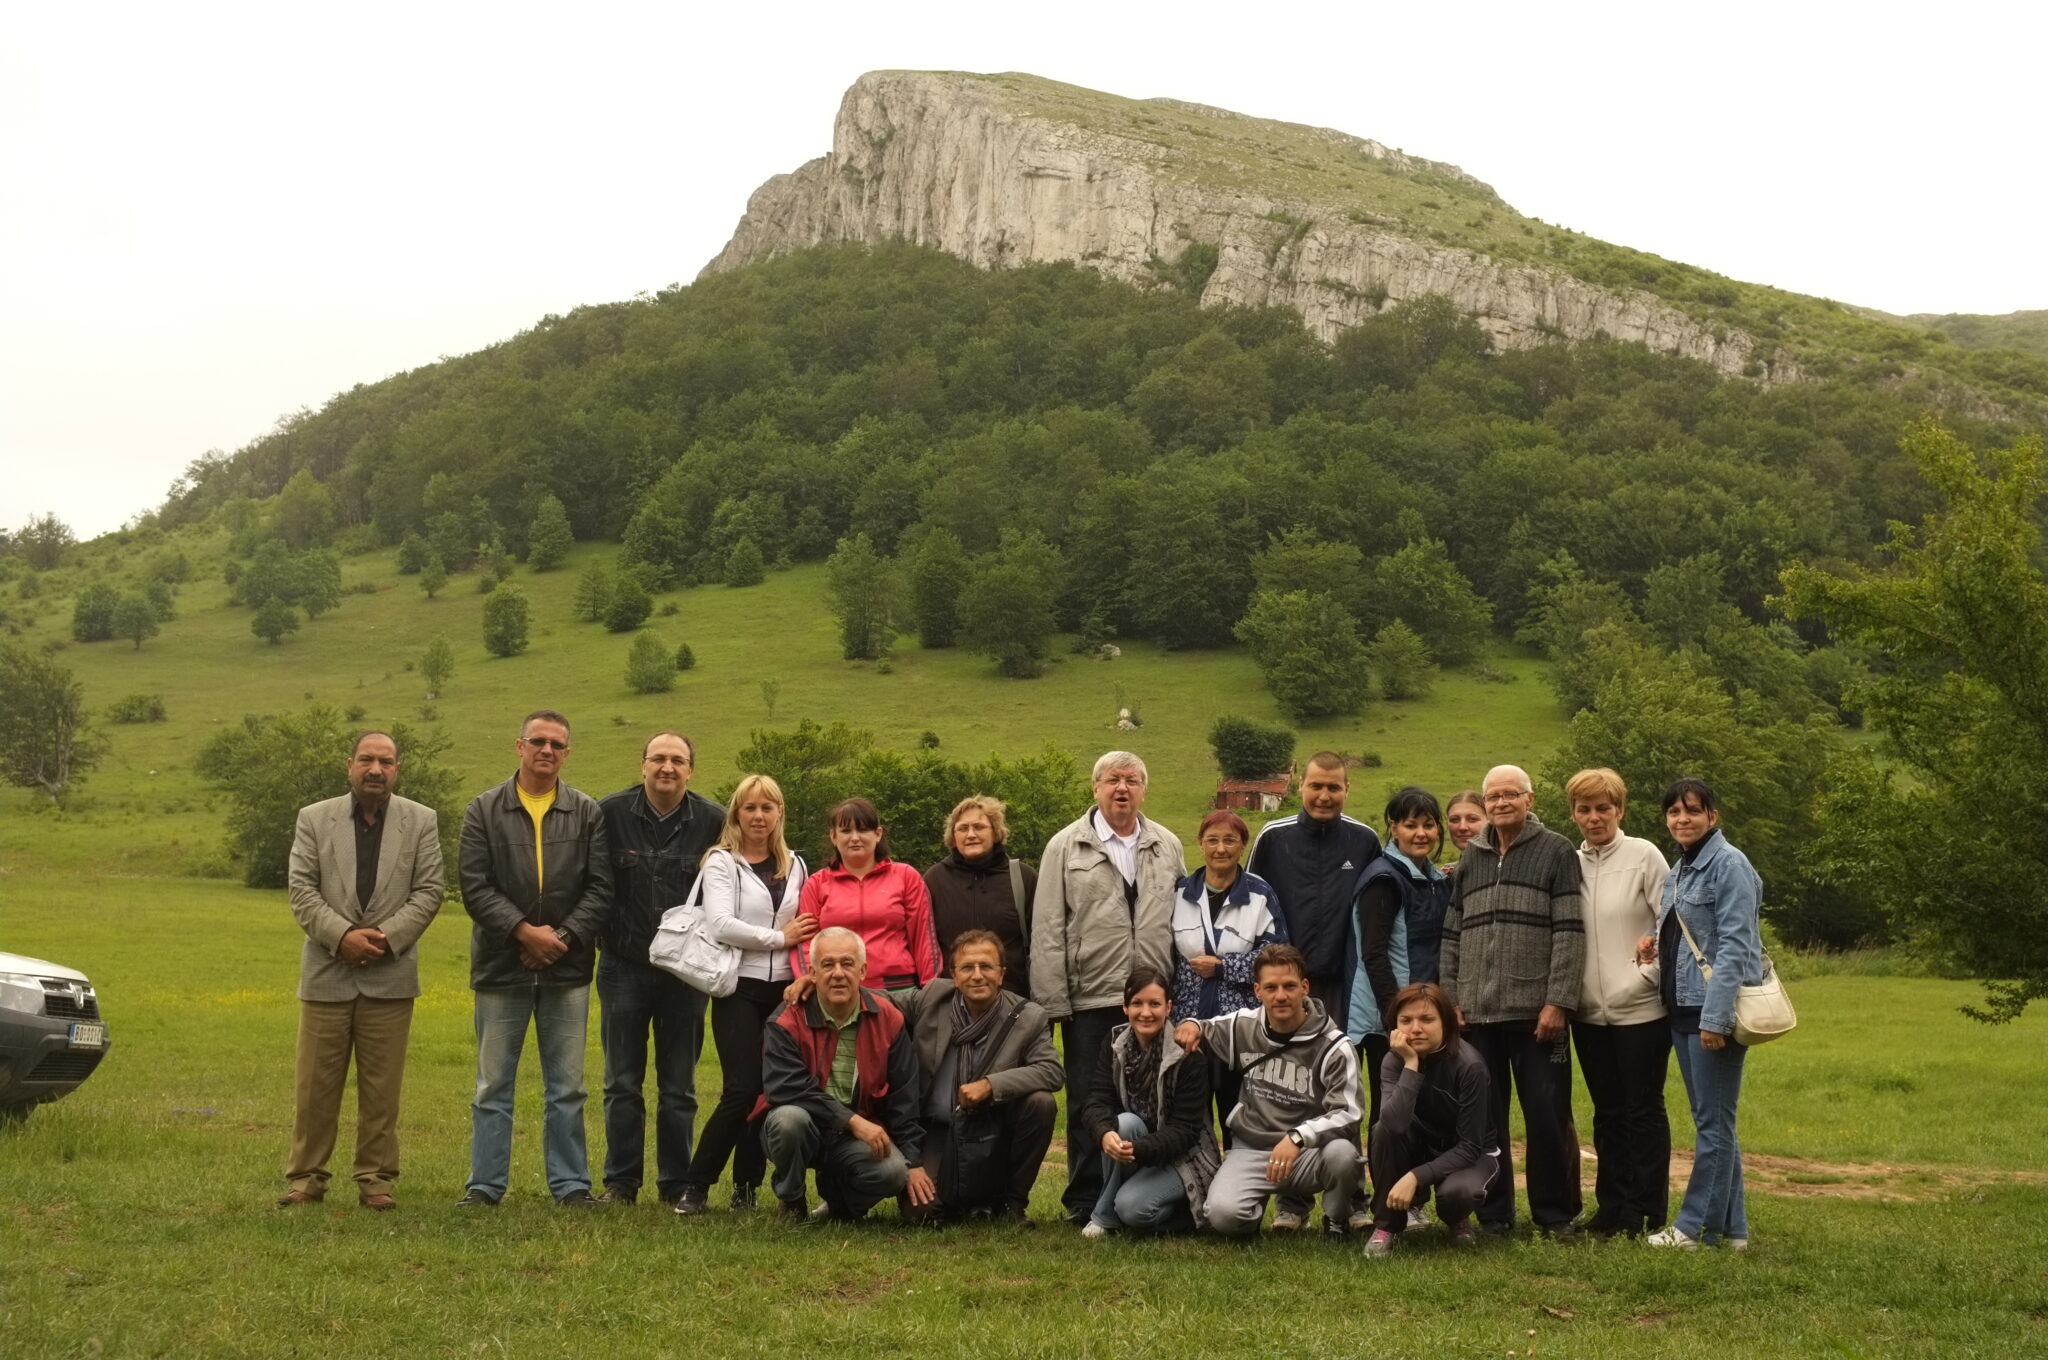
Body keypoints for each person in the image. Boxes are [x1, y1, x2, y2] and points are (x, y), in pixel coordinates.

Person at [279, 731, 444, 1211]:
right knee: (314, 1086)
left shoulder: (421, 821)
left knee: (382, 1088)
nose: (376, 769)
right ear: (349, 765)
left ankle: (376, 1179)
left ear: (398, 769)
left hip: (390, 975)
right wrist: (344, 936)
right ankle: (307, 1177)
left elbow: (430, 890)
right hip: (326, 971)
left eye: (386, 761)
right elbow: (302, 890)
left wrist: (385, 938)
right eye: (367, 760)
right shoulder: (314, 818)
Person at [456, 709, 613, 1208]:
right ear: (518, 746)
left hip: (566, 969)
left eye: (557, 745)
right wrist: (525, 933)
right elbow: (474, 887)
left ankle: (570, 1187)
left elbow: (601, 887)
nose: (547, 751)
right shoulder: (483, 809)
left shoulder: (587, 812)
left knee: (567, 1085)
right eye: (537, 741)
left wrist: (560, 937)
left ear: (567, 754)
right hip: (501, 968)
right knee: (492, 1085)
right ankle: (484, 1186)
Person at [1030, 751, 1186, 1224]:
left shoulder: (1167, 844)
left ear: (1144, 789)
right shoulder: (1065, 846)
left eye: (1132, 780)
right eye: (1112, 780)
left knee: (1148, 1100)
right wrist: (1054, 1001)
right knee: (1087, 1101)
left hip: (1151, 999)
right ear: (1094, 788)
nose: (1122, 788)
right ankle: (1083, 1199)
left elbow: (1180, 921)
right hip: (1090, 996)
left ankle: (1137, 1191)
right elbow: (1048, 925)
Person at [1438, 763, 1584, 1236]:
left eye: (1510, 795)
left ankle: (1555, 1214)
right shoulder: (1472, 860)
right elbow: (1452, 935)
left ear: (1530, 799)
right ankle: (1494, 1214)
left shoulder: (1557, 850)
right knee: (1486, 1122)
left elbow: (1569, 931)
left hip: (1536, 1014)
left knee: (1547, 1115)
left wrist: (1558, 1000)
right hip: (1478, 1014)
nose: (1501, 803)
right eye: (1493, 797)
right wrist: (1453, 998)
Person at [1246, 751, 1378, 1230]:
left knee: (1343, 1087)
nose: (1325, 796)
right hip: (1285, 988)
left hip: (1339, 982)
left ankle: (1354, 1201)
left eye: (1335, 788)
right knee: (1286, 1086)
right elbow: (1250, 899)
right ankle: (1292, 1203)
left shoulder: (1364, 840)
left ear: (1347, 790)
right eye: (1316, 786)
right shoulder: (1273, 837)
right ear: (1301, 785)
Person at [673, 774, 815, 1216]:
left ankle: (746, 1190)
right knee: (741, 1088)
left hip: (786, 991)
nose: (758, 816)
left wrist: (805, 968)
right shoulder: (721, 862)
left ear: (779, 814)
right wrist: (779, 936)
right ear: (736, 813)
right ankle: (695, 1186)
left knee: (770, 1090)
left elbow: (808, 927)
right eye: (749, 808)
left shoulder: (798, 865)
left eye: (767, 808)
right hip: (738, 987)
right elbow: (720, 924)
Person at [595, 731, 724, 1206]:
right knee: (622, 1083)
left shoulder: (714, 821)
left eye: (677, 760)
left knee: (679, 1086)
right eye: (658, 759)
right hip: (622, 965)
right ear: (642, 764)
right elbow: (594, 882)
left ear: (691, 769)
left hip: (686, 974)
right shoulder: (608, 813)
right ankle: (620, 1184)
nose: (666, 768)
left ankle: (675, 1185)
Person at [1174, 944, 1364, 1239]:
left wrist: (1298, 1137)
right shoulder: (1243, 1025)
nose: (1281, 996)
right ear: (1257, 990)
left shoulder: (1335, 1045)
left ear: (1304, 987)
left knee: (1343, 1154)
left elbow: (1349, 1113)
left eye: (1289, 986)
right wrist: (1189, 1024)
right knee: (1223, 1216)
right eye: (1271, 987)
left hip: (1307, 1153)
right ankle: (1251, 1212)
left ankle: (1337, 1216)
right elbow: (1203, 1027)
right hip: (1253, 1148)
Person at [1646, 777, 1763, 1251]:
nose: (1682, 819)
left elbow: (1737, 945)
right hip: (1680, 1006)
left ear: (1713, 816)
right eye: (1674, 812)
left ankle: (1692, 1228)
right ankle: (1732, 1231)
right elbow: (1683, 930)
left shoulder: (1729, 865)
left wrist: (1716, 1020)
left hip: (1709, 1011)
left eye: (1692, 811)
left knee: (1714, 1125)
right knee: (1713, 1120)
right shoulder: (1681, 867)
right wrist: (1651, 939)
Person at [1566, 767, 1672, 1238]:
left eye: (1603, 808)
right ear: (1573, 814)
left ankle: (1644, 1210)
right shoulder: (1571, 864)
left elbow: (1674, 925)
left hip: (1642, 1011)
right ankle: (1610, 1209)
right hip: (1589, 1014)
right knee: (1607, 1113)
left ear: (1620, 810)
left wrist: (1646, 976)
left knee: (1642, 1110)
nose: (1594, 818)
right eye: (1584, 809)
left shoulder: (1644, 855)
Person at [759, 926, 923, 1221]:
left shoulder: (889, 1019)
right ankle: (792, 1198)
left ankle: (841, 1203)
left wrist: (911, 1159)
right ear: (812, 973)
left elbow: (904, 1096)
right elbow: (785, 1088)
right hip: (803, 1129)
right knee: (789, 1120)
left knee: (893, 1171)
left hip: (851, 1138)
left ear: (863, 971)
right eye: (828, 964)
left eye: (847, 964)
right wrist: (852, 1121)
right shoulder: (787, 1018)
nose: (838, 973)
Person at [898, 931, 1063, 1223]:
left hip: (993, 1128)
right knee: (922, 1214)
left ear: (1001, 974)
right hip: (937, 1129)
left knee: (1041, 1103)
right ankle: (968, 1201)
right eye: (967, 967)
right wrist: (815, 981)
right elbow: (878, 1003)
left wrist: (991, 1085)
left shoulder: (1028, 1016)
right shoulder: (932, 997)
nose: (977, 976)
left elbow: (1051, 1071)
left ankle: (1011, 1204)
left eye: (986, 967)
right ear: (954, 974)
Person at [1077, 968, 1219, 1238]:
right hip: (1140, 1147)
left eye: (1155, 1004)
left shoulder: (1189, 1056)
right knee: (1123, 1123)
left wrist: (1136, 1149)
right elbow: (1097, 1098)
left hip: (1184, 1157)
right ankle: (1109, 1215)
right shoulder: (1115, 1041)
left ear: (1168, 1008)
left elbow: (1185, 1131)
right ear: (1124, 1006)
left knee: (1133, 1209)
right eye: (1137, 1003)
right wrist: (1104, 1133)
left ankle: (1184, 1214)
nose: (1145, 1013)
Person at [1169, 810, 1285, 1137]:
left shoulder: (1261, 895)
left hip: (1241, 1029)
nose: (1221, 848)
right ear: (1200, 844)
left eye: (1230, 840)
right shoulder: (1180, 893)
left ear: (1243, 846)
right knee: (1192, 1120)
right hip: (1187, 1028)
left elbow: (1276, 958)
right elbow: (1167, 958)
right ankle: (1196, 1184)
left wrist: (1223, 967)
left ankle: (1238, 1183)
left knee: (1239, 1119)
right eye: (1213, 840)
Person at [1361, 982, 1497, 1258]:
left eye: (1427, 1019)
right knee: (1382, 1131)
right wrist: (1411, 1064)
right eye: (1406, 1020)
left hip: (1469, 1152)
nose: (1416, 1028)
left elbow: (1470, 1146)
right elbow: (1393, 1125)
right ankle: (1387, 1225)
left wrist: (1415, 1176)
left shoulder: (1470, 1066)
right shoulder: (1393, 1060)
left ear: (1445, 1023)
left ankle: (1456, 1218)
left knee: (1457, 1194)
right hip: (1420, 1143)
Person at [1350, 786, 1451, 1133]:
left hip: (1421, 1013)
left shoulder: (1432, 877)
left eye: (1428, 824)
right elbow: (1374, 954)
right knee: (1391, 1112)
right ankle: (1387, 1186)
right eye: (1411, 825)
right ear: (1393, 828)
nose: (1421, 833)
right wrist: (1397, 1018)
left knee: (1420, 1109)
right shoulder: (1384, 878)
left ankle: (1414, 1185)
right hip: (1389, 1019)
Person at [793, 798, 938, 1004]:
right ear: (833, 836)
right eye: (845, 831)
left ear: (878, 834)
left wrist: (932, 991)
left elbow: (924, 938)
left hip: (898, 991)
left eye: (863, 830)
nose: (855, 838)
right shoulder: (816, 884)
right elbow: (806, 942)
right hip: (838, 992)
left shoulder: (906, 877)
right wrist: (808, 979)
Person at [923, 796, 1038, 997]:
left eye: (979, 827)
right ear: (953, 835)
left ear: (995, 832)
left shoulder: (1022, 878)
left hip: (1013, 1001)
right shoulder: (934, 880)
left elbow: (1042, 944)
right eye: (963, 828)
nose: (971, 834)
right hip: (950, 1001)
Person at [1444, 791, 1486, 863]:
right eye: (1454, 820)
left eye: (1472, 819)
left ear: (1491, 822)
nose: (1462, 827)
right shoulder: (1447, 873)